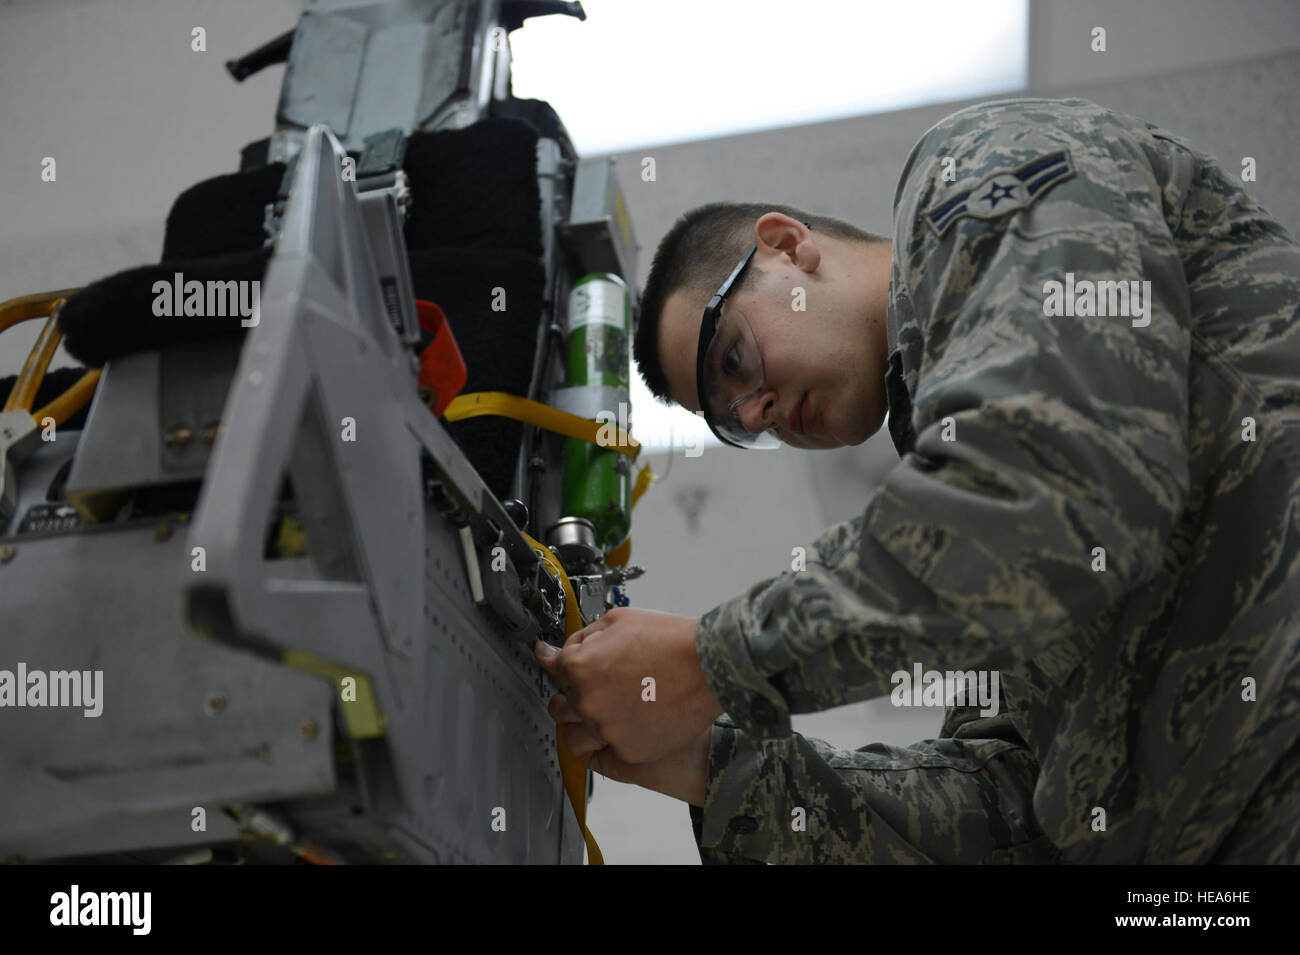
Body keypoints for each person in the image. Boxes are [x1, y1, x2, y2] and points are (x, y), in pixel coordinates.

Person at [534, 97, 1300, 864]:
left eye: (733, 358)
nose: (758, 409)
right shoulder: (953, 554)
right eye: (735, 420)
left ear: (786, 245)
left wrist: (712, 663)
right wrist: (708, 764)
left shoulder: (972, 167)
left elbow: (1063, 483)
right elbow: (1010, 810)